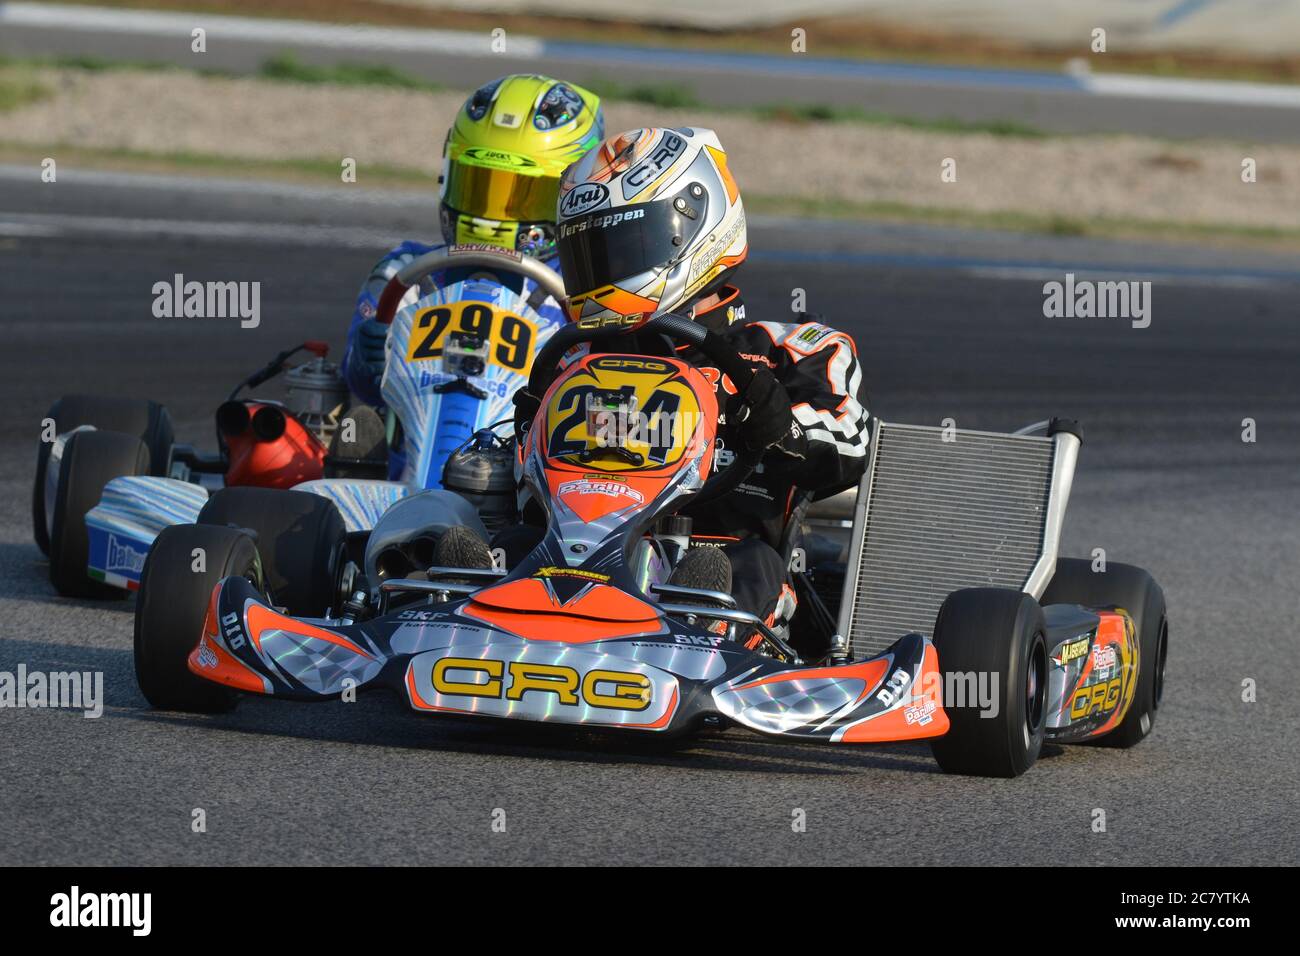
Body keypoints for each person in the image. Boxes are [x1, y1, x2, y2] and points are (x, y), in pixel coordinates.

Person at [526, 126, 872, 641]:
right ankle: (465, 605)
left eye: (620, 250)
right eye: (590, 257)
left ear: (695, 228)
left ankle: (694, 633)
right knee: (502, 539)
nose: (602, 273)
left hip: (724, 558)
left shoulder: (790, 349)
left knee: (742, 568)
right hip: (574, 556)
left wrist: (778, 423)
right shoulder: (576, 357)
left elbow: (854, 440)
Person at [340, 74, 605, 408]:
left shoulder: (587, 293)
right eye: (477, 187)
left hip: (526, 449)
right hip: (415, 443)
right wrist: (370, 360)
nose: (490, 215)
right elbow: (358, 382)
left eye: (522, 195)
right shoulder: (407, 275)